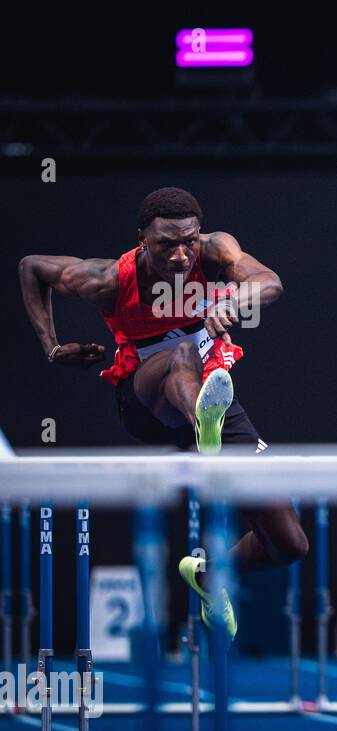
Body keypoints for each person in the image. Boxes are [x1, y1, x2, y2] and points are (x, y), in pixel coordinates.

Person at [17, 186, 308, 633]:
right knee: (179, 357)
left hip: (214, 398)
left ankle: (208, 575)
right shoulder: (109, 279)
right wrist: (53, 349)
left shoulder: (215, 252)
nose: (179, 256)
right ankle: (203, 429)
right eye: (165, 245)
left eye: (188, 241)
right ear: (142, 240)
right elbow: (31, 267)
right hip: (146, 403)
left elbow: (270, 282)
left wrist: (232, 300)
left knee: (289, 544)